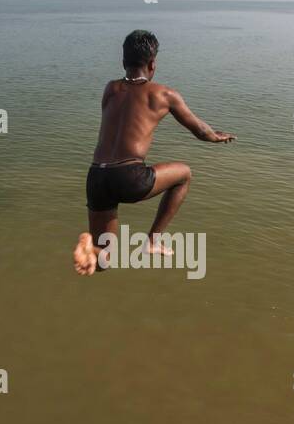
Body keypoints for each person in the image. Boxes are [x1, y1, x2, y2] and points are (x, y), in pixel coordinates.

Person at [73, 30, 234, 275]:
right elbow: (200, 130)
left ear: (123, 62)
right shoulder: (163, 94)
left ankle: (87, 246)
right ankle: (152, 241)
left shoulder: (110, 89)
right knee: (184, 175)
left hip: (97, 176)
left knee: (104, 260)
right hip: (128, 176)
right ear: (152, 64)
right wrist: (216, 136)